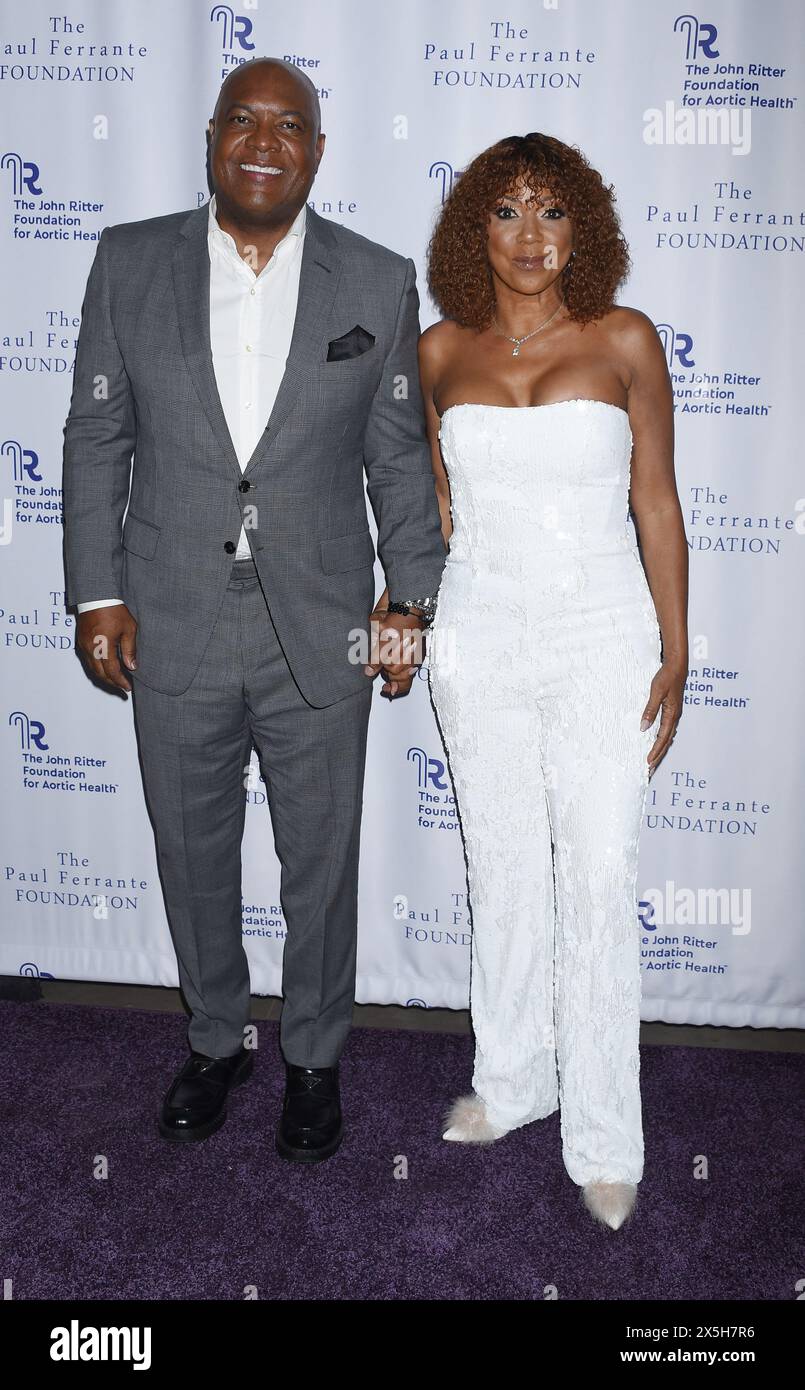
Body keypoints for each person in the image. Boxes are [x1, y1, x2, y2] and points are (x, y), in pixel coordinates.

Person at [62, 57, 446, 1163]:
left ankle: (314, 1059)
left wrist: (409, 598)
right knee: (191, 851)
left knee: (320, 859)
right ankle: (217, 1037)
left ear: (318, 153)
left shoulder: (374, 280)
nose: (265, 139)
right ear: (212, 137)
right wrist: (98, 591)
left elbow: (395, 452)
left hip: (320, 618)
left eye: (292, 125)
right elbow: (98, 439)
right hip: (170, 611)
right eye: (245, 119)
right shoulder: (129, 262)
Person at [420, 133, 688, 1229]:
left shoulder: (623, 339)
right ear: (471, 228)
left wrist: (676, 648)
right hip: (478, 634)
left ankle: (605, 1133)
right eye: (505, 212)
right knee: (504, 867)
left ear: (584, 227)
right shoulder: (437, 351)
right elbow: (433, 510)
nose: (529, 237)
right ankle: (516, 1081)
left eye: (551, 212)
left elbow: (657, 504)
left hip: (600, 635)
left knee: (597, 872)